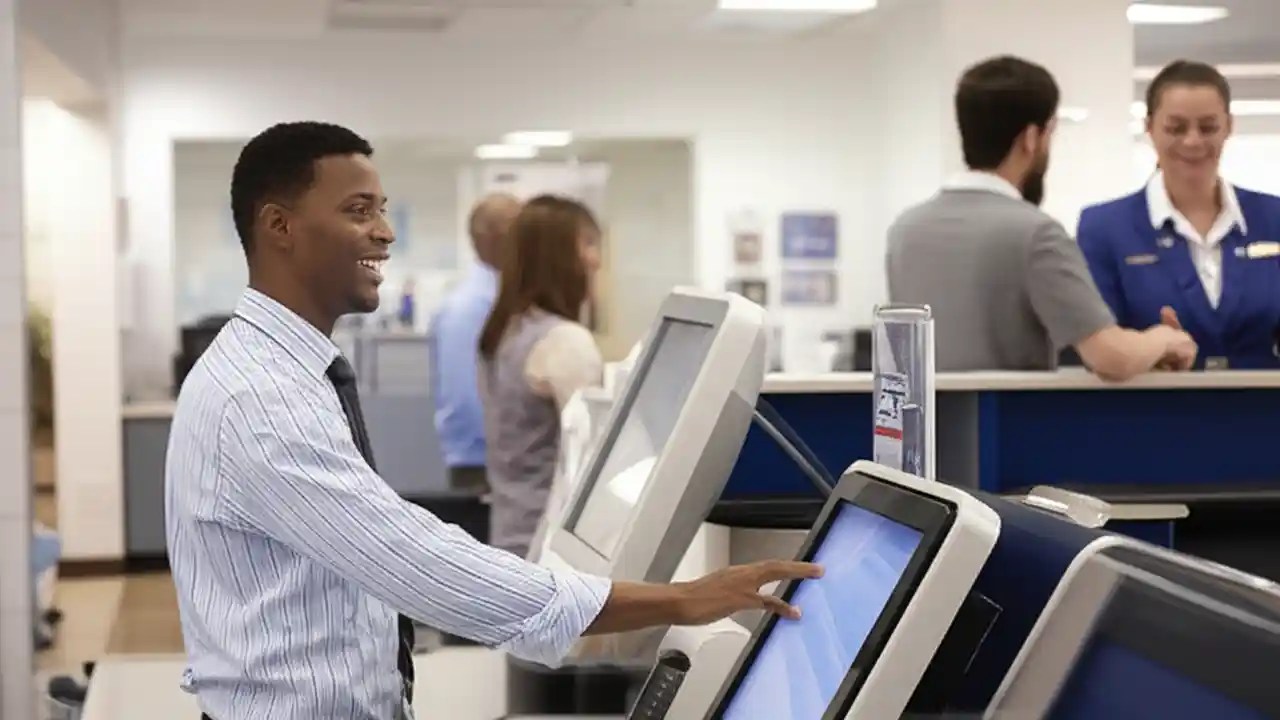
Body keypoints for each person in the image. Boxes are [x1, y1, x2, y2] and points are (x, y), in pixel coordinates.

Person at [163, 121, 821, 720]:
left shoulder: (282, 371)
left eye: (383, 210)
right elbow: (414, 564)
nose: (385, 232)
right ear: (279, 226)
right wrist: (680, 599)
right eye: (358, 211)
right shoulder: (261, 398)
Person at [885, 55, 1198, 380]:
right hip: (1005, 425)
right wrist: (1163, 340)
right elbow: (1111, 357)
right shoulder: (1034, 233)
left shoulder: (905, 230)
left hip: (927, 428)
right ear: (1032, 138)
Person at [1078, 60, 1280, 370]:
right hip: (1155, 413)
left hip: (1263, 411)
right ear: (1149, 128)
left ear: (1229, 126)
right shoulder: (1104, 228)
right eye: (1176, 128)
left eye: (1208, 127)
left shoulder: (1273, 217)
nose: (1193, 141)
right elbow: (1095, 344)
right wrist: (1149, 349)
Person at [477, 195, 604, 560]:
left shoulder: (505, 330)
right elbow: (592, 460)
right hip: (547, 549)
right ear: (558, 256)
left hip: (510, 536)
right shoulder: (564, 341)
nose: (596, 259)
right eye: (588, 244)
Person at [428, 193, 522, 494]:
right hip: (483, 469)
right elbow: (465, 403)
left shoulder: (507, 301)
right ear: (493, 238)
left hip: (505, 464)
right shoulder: (468, 310)